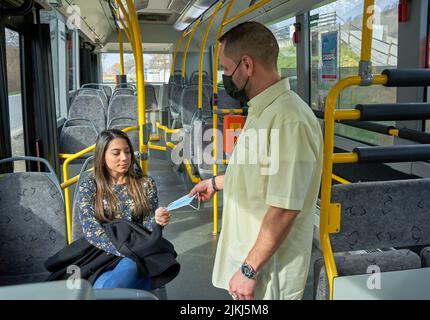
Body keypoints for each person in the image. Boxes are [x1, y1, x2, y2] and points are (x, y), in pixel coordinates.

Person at [189, 22, 323, 300]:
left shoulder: (289, 120)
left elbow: (285, 207)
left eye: (226, 69)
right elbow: (258, 174)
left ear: (246, 65)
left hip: (267, 273)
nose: (225, 77)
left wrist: (249, 270)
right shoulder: (262, 109)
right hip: (249, 259)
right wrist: (215, 183)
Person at [77, 129, 171, 290]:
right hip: (101, 252)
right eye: (116, 153)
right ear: (102, 155)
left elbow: (147, 226)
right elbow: (90, 228)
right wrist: (125, 251)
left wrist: (158, 222)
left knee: (110, 287)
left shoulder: (145, 183)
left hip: (135, 250)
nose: (124, 158)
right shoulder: (89, 185)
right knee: (106, 288)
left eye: (127, 152)